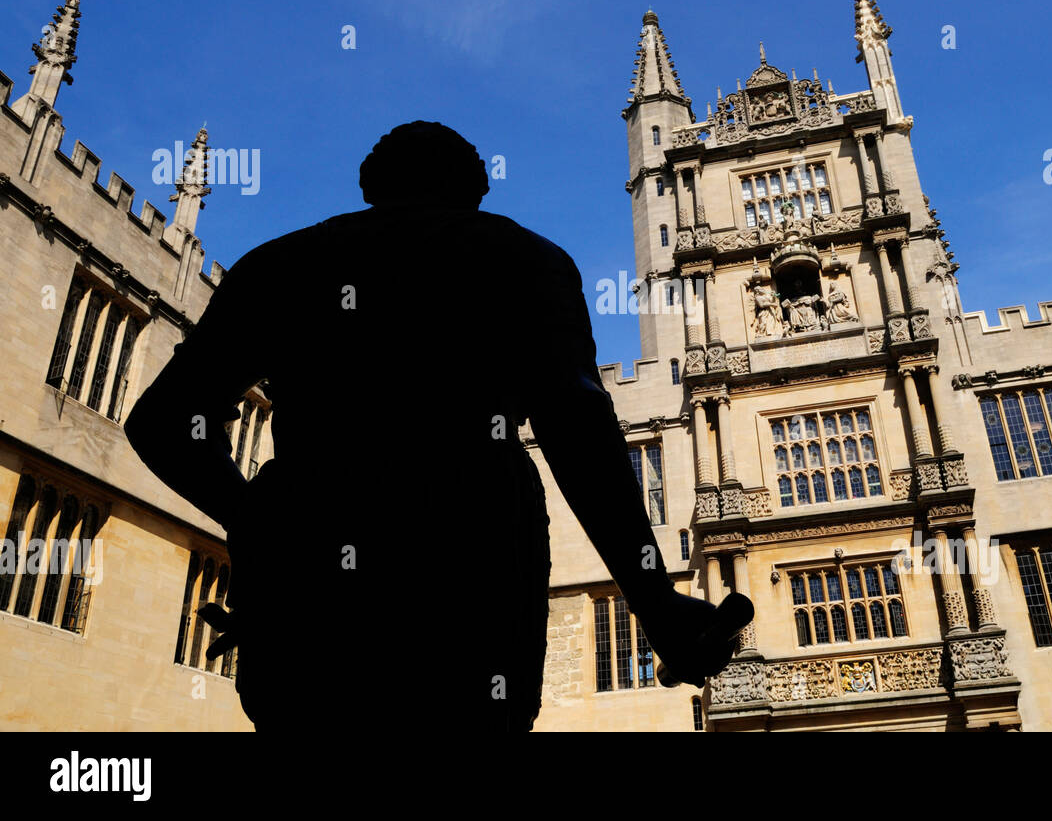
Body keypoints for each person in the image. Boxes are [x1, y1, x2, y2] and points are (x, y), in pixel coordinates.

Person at [124, 121, 748, 735]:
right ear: (474, 188)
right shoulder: (523, 258)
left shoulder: (280, 265)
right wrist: (654, 602)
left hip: (314, 578)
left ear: (371, 185)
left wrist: (258, 522)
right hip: (473, 559)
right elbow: (579, 433)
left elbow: (161, 421)